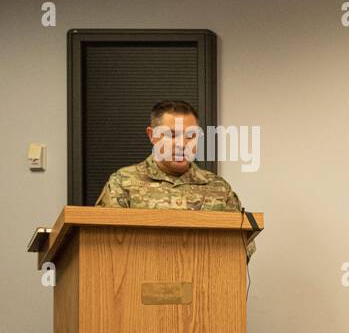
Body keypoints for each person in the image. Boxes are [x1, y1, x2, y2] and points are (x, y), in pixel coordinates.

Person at [96, 99, 254, 256]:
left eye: (190, 136)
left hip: (206, 278)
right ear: (152, 136)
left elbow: (243, 246)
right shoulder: (123, 183)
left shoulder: (219, 188)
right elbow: (103, 244)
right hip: (139, 277)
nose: (182, 144)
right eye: (172, 135)